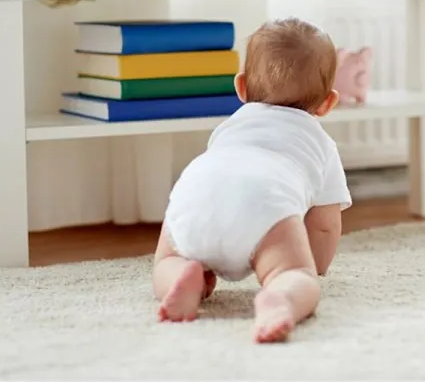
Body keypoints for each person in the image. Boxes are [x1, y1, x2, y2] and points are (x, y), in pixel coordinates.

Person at [151, 17, 352, 343]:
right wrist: (310, 267)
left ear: (241, 87)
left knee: (169, 257)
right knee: (296, 276)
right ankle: (281, 295)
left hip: (195, 189)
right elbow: (325, 224)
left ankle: (181, 276)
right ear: (328, 102)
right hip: (264, 204)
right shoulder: (320, 144)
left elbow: (224, 180)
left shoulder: (229, 127)